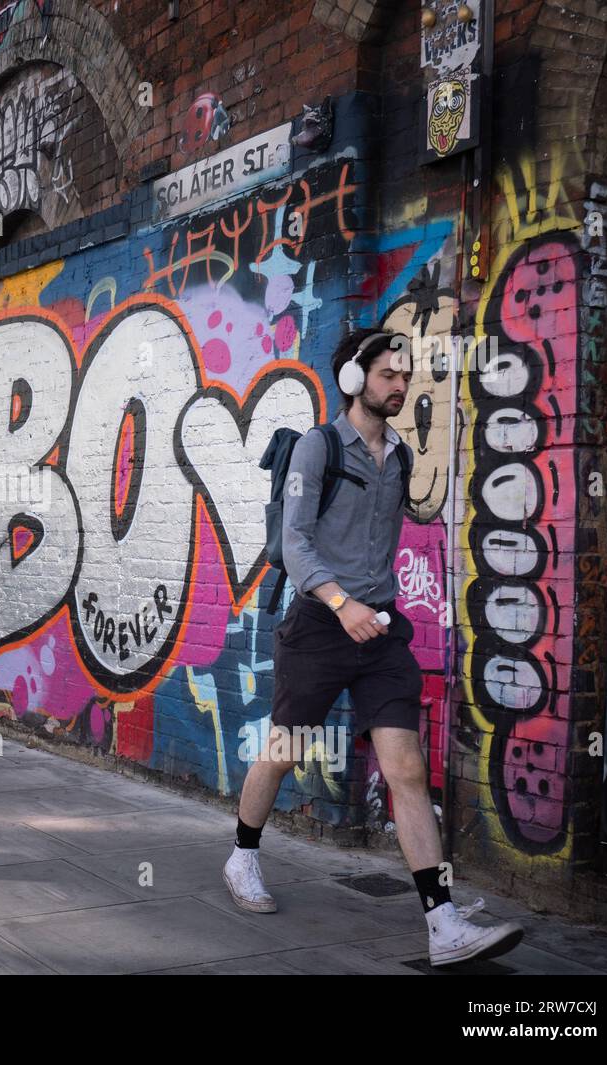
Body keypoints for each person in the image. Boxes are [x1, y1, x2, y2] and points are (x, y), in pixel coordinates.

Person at [223, 328, 525, 968]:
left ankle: (441, 921)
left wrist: (375, 606)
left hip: (380, 630)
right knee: (283, 749)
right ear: (355, 380)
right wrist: (341, 603)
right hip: (319, 625)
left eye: (404, 375)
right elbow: (296, 545)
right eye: (389, 374)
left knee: (407, 771)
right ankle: (243, 855)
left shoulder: (402, 457)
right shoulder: (318, 448)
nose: (401, 385)